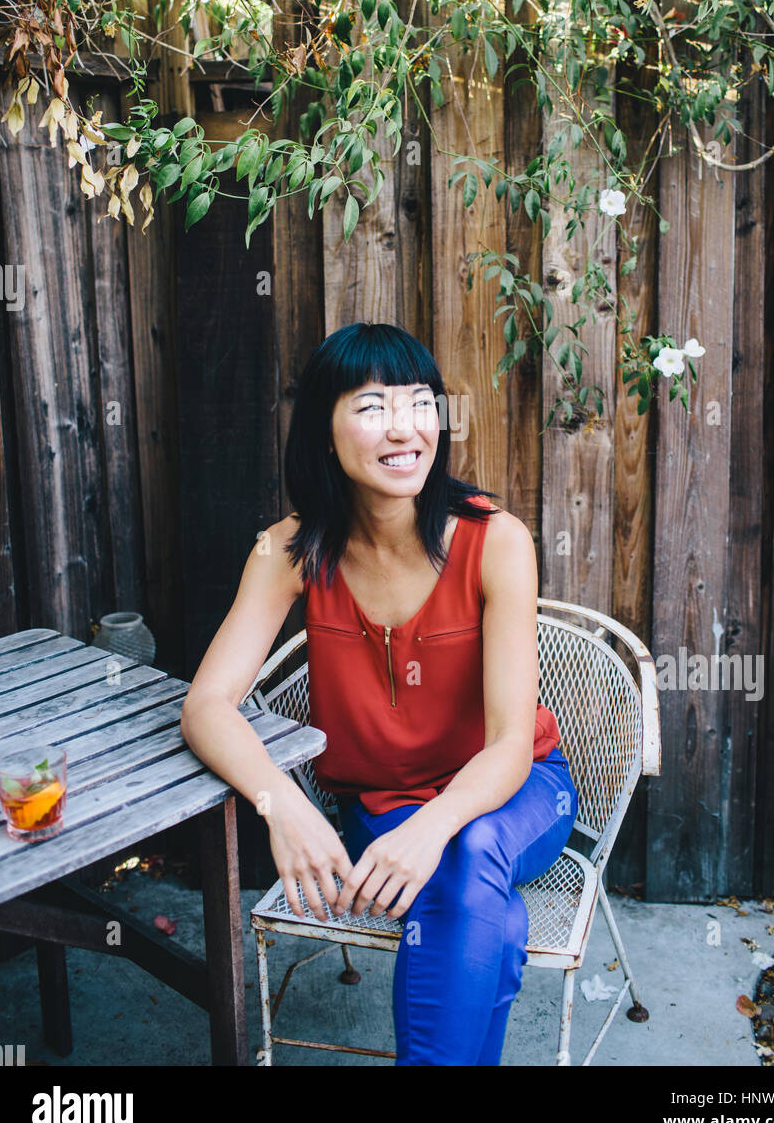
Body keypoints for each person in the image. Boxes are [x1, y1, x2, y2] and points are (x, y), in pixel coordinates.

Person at [181, 321, 578, 1066]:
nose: (405, 428)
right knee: (485, 911)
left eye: (421, 403)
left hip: (521, 790)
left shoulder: (495, 541)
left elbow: (508, 746)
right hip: (381, 804)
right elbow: (205, 706)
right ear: (324, 434)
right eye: (371, 407)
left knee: (468, 854)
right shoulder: (287, 550)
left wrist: (434, 828)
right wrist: (283, 806)